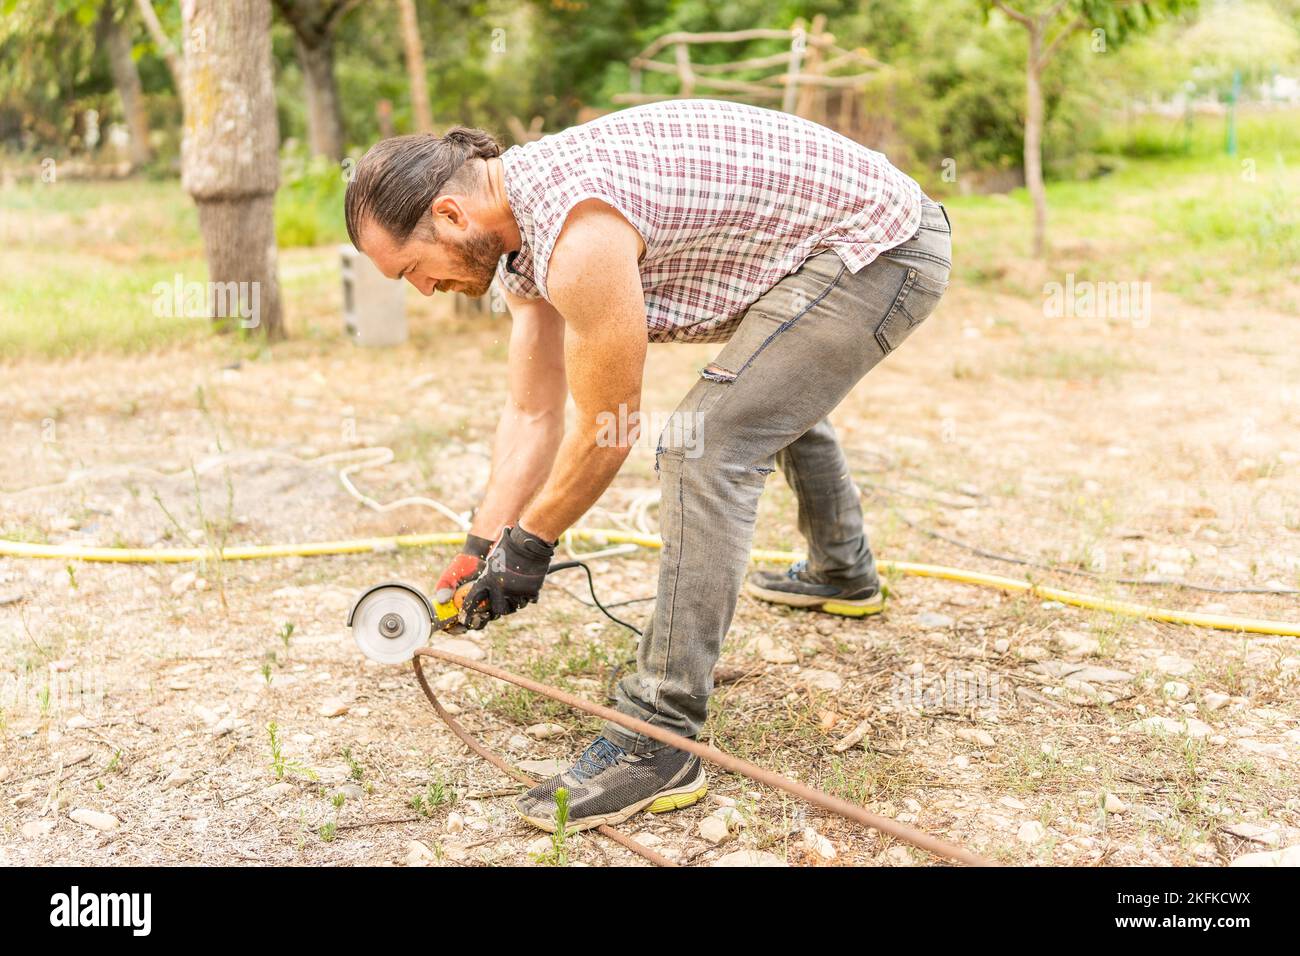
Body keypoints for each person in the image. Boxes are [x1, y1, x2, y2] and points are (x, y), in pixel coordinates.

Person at [343, 98, 951, 833]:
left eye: (412, 270)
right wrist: (479, 549)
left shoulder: (576, 233)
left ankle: (660, 734)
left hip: (882, 248)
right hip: (822, 245)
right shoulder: (522, 243)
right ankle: (841, 570)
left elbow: (609, 427)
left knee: (709, 442)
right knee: (763, 394)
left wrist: (530, 546)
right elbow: (534, 413)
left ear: (449, 214)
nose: (424, 291)